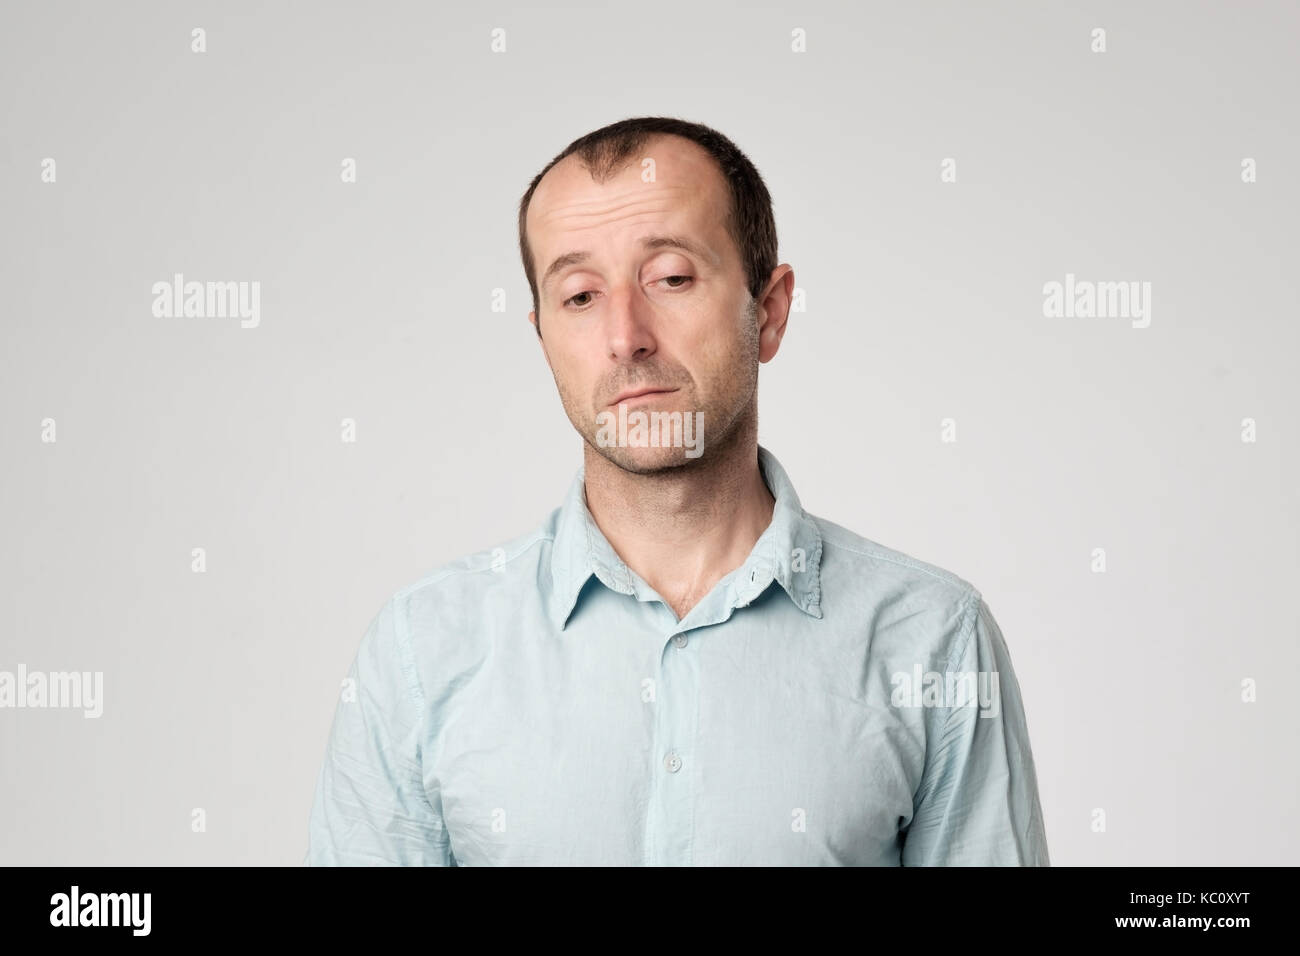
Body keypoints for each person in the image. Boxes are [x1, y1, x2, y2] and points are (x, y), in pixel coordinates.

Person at [305, 116, 1050, 866]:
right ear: (543, 339)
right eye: (580, 296)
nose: (626, 336)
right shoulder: (422, 651)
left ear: (770, 310)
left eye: (670, 278)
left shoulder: (934, 641)